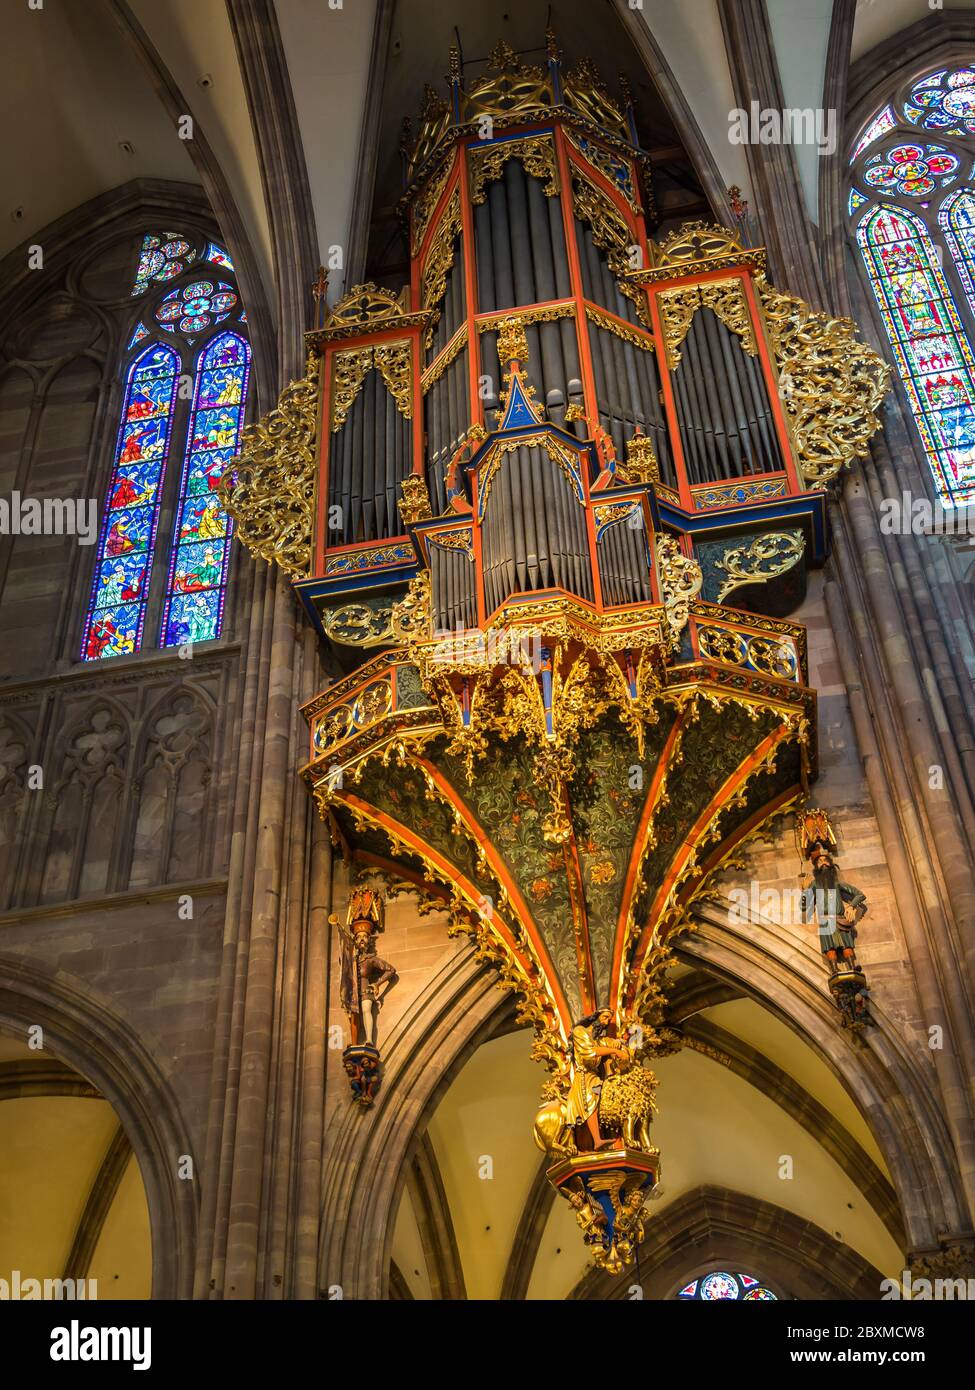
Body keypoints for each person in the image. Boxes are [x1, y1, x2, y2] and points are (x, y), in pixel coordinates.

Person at [564, 1007, 631, 1151]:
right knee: (590, 1101)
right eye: (605, 1017)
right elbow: (590, 1052)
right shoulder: (580, 1031)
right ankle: (597, 1140)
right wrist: (615, 1051)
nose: (606, 1022)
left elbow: (609, 1043)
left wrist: (624, 1042)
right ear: (596, 1016)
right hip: (583, 1076)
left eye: (609, 1019)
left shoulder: (598, 1039)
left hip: (593, 1075)